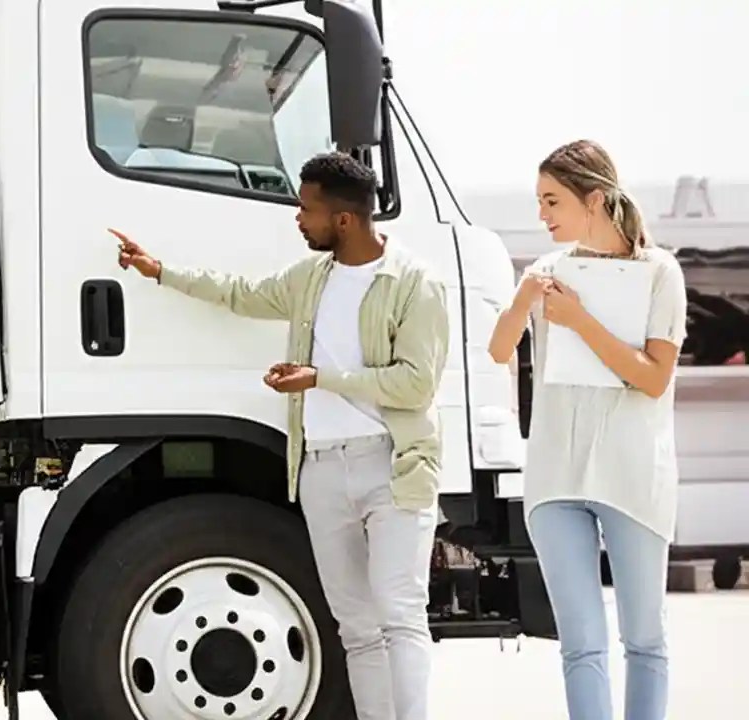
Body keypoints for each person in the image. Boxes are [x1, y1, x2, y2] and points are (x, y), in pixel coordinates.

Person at [113, 152, 450, 720]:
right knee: (357, 628)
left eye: (306, 208)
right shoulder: (310, 278)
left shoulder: (415, 283)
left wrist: (320, 377)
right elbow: (241, 293)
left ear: (343, 220)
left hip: (392, 467)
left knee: (399, 613)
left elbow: (416, 384)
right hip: (319, 467)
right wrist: (159, 270)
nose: (297, 218)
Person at [487, 139, 687, 720]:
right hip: (555, 478)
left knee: (645, 638)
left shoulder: (660, 273)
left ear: (593, 199)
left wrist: (580, 320)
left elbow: (651, 378)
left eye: (552, 200)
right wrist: (525, 297)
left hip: (633, 478)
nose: (542, 214)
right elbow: (501, 349)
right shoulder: (547, 272)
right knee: (581, 644)